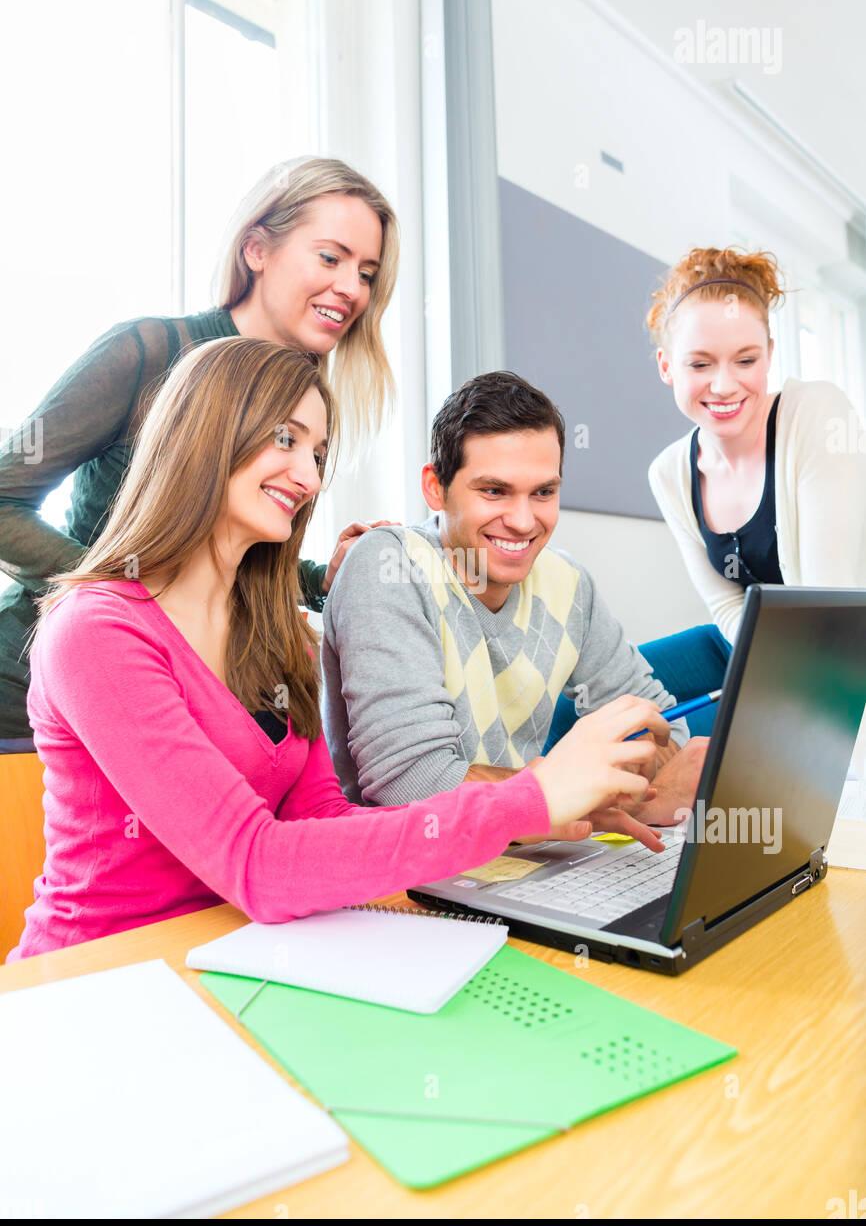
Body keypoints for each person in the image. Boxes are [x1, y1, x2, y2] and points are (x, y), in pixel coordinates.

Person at [6, 339, 672, 963]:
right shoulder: (98, 632)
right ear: (203, 434)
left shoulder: (277, 632)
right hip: (101, 979)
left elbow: (323, 821)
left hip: (247, 955)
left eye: (318, 452)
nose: (307, 475)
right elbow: (257, 864)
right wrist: (529, 800)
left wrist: (551, 816)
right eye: (286, 439)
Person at [0, 155, 399, 748]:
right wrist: (123, 593)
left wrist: (320, 578)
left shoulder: (306, 406)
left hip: (169, 698)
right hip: (30, 696)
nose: (351, 289)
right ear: (256, 250)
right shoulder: (148, 352)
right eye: (331, 257)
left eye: (367, 272)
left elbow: (220, 566)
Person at [322, 371, 707, 849]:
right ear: (435, 488)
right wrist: (606, 798)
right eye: (494, 491)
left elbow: (662, 729)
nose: (525, 522)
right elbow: (412, 787)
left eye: (543, 492)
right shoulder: (389, 568)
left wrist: (631, 780)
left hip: (520, 859)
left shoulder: (570, 587)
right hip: (400, 879)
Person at [546, 245, 866, 747]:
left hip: (837, 659)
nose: (724, 384)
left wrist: (773, 694)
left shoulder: (817, 414)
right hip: (745, 647)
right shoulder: (669, 472)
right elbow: (725, 605)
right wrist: (754, 674)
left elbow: (833, 606)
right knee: (577, 713)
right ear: (666, 366)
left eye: (745, 360)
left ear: (769, 356)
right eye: (699, 363)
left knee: (672, 750)